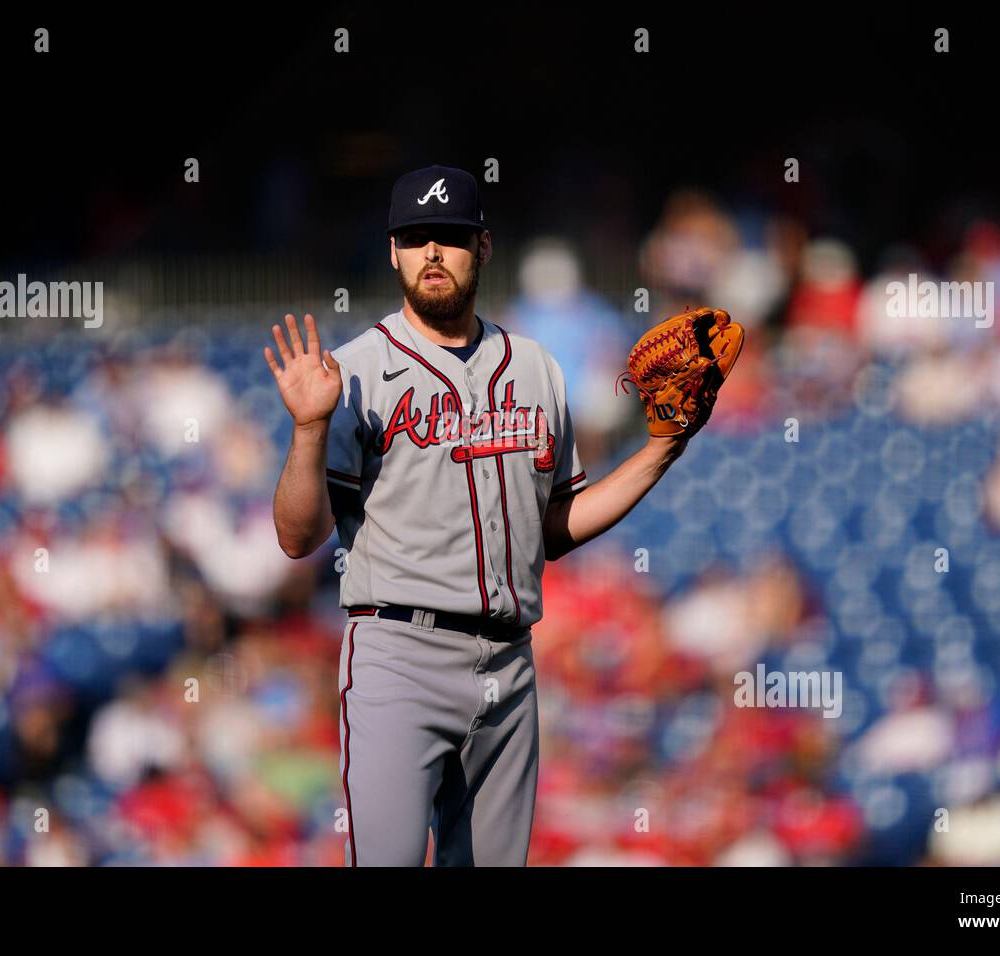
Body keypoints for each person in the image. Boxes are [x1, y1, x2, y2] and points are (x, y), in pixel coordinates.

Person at [265, 165, 698, 866]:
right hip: (397, 655)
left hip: (509, 661)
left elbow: (555, 527)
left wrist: (661, 451)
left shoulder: (536, 367)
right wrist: (310, 430)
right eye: (416, 237)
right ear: (394, 252)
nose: (433, 253)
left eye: (450, 236)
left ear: (484, 248)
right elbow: (295, 537)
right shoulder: (355, 371)